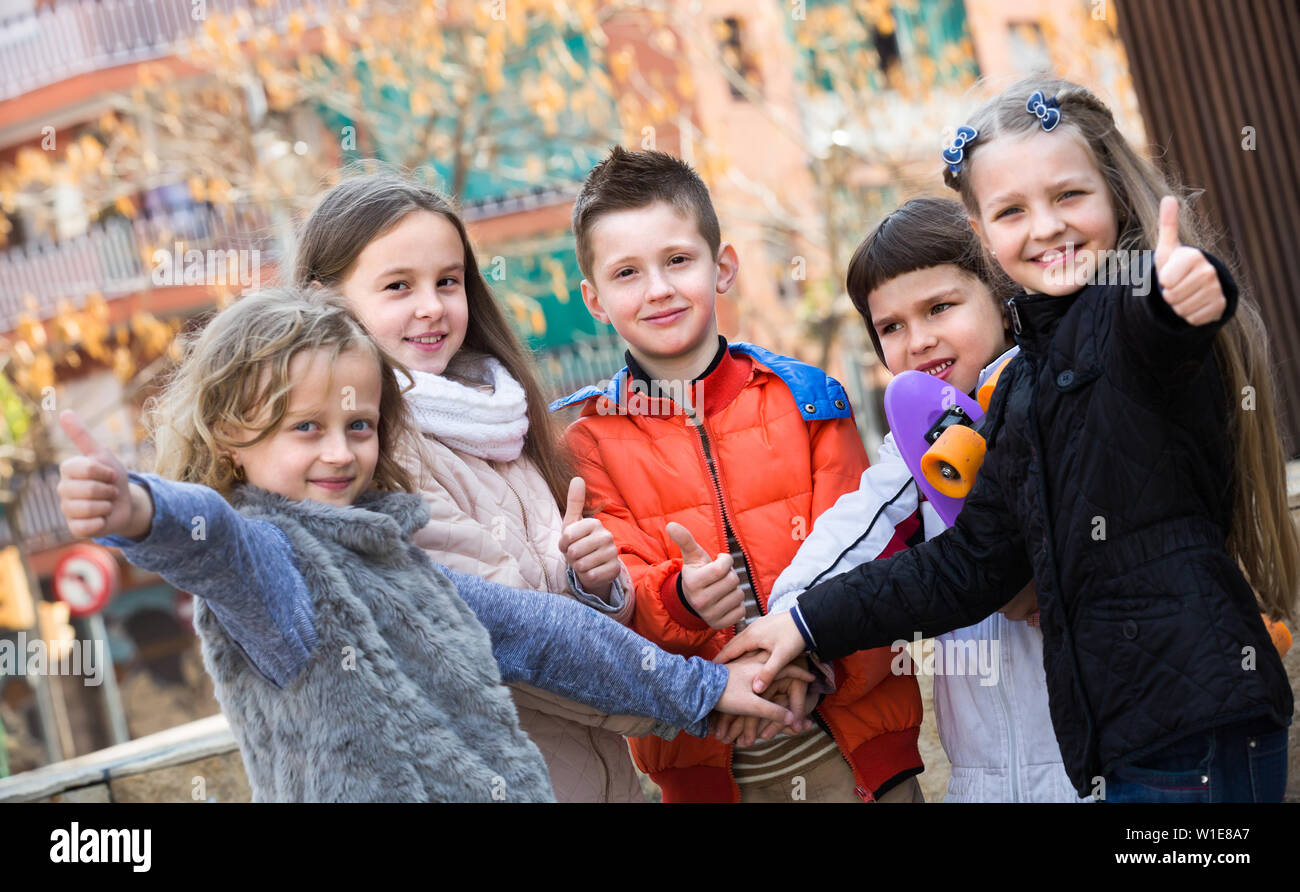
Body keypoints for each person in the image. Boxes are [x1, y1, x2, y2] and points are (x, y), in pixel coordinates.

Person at [715, 77, 1299, 803]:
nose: (1046, 226)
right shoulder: (1032, 383)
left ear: (1114, 193)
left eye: (1069, 197)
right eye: (1012, 211)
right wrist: (804, 622)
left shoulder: (1125, 315)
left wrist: (1185, 293)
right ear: (983, 232)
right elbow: (967, 566)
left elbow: (1163, 330)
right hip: (1140, 742)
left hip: (1194, 732)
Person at [56, 288, 812, 802]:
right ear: (230, 438)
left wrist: (705, 692)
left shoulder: (389, 555)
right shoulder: (269, 565)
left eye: (358, 425)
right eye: (305, 428)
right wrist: (137, 507)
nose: (339, 451)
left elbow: (543, 634)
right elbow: (211, 540)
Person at [552, 147, 925, 802]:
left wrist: (805, 653)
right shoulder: (590, 445)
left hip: (857, 745)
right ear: (596, 299)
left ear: (721, 267)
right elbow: (618, 609)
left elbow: (868, 552)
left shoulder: (807, 399)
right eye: (627, 273)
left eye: (677, 260)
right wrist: (684, 600)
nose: (659, 289)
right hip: (708, 766)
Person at [293, 170, 650, 802]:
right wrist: (693, 700)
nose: (431, 305)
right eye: (399, 286)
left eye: (447, 281)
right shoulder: (376, 453)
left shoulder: (500, 417)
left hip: (598, 775)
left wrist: (596, 584)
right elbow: (510, 640)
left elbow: (555, 602)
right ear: (331, 304)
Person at [736, 197, 1085, 802]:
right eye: (891, 327)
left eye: (940, 307)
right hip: (984, 776)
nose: (918, 340)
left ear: (1000, 295)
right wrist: (788, 625)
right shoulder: (917, 449)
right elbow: (851, 533)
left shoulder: (1060, 401)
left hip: (1090, 761)